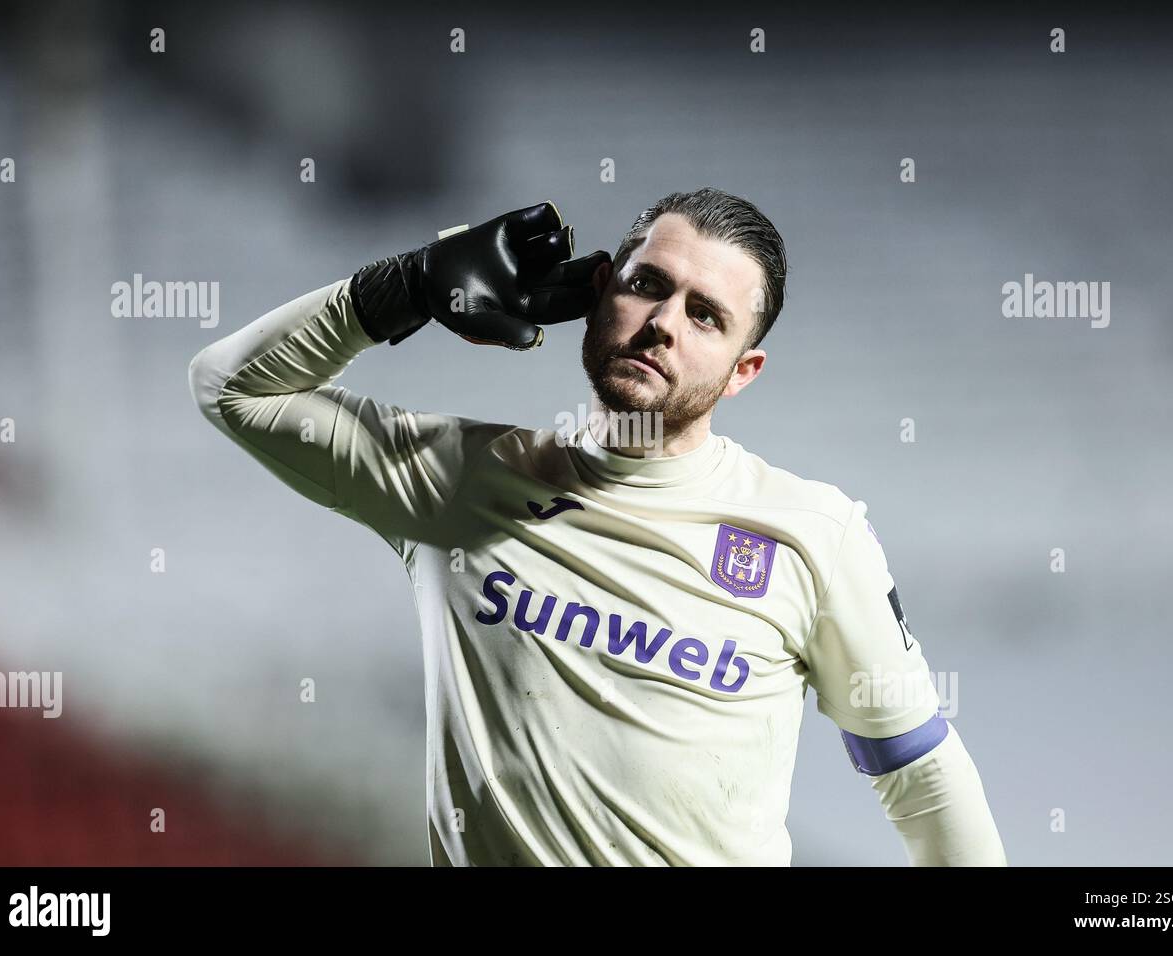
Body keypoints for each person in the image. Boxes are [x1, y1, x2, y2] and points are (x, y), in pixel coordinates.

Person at [188, 187, 1007, 866]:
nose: (664, 324)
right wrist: (408, 286)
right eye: (648, 285)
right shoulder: (459, 479)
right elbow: (230, 387)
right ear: (599, 291)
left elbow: (920, 775)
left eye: (706, 317)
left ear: (741, 373)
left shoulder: (812, 535)